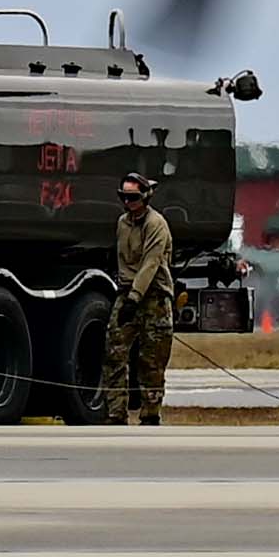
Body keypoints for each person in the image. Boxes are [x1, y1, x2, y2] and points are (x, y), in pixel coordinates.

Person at [102, 174, 176, 426]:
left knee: (151, 359)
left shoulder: (157, 224)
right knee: (114, 353)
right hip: (127, 293)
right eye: (123, 197)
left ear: (145, 197)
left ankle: (150, 412)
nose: (127, 202)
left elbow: (151, 262)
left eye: (132, 197)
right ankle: (116, 412)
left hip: (153, 296)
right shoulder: (123, 223)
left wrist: (135, 297)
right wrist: (125, 294)